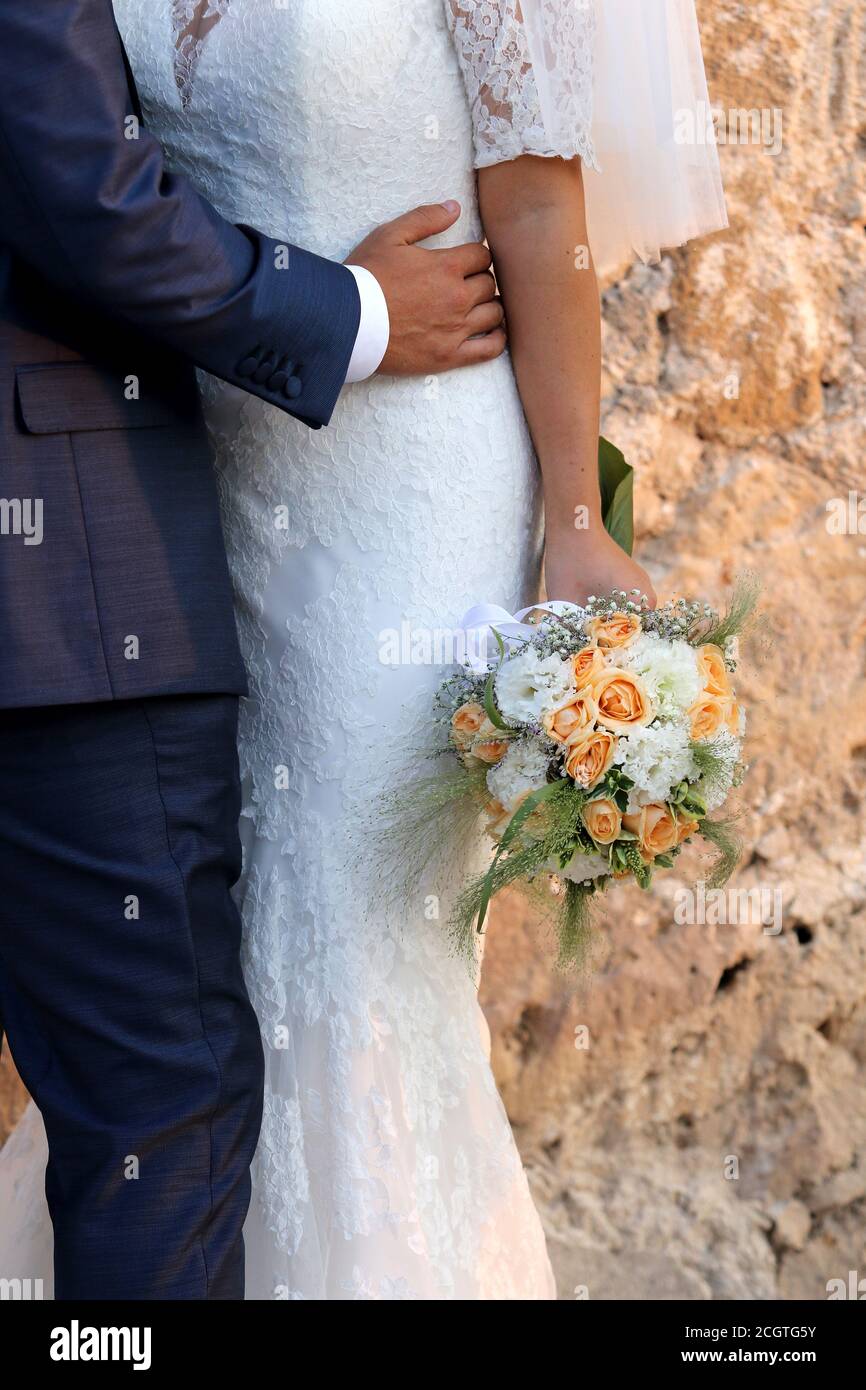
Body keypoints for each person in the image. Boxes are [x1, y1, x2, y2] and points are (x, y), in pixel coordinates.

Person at [0, 0, 726, 1300]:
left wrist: (574, 518)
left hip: (407, 485)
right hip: (191, 488)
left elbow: (542, 212)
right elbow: (89, 188)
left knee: (347, 943)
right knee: (188, 965)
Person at [0, 0, 504, 1300]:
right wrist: (352, 314)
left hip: (301, 533)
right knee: (159, 1104)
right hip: (63, 583)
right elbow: (84, 190)